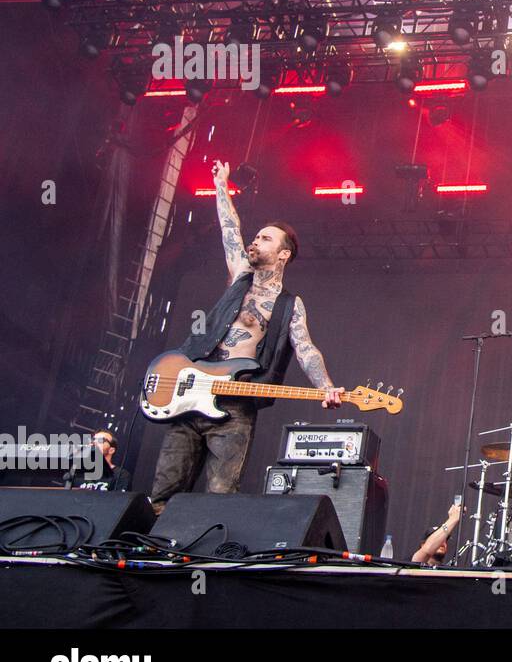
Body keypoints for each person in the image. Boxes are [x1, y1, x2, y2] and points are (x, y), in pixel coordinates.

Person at [148, 160, 343, 515]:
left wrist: (326, 386)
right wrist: (222, 186)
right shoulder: (240, 273)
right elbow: (229, 228)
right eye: (256, 236)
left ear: (284, 254)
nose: (255, 241)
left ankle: (206, 559)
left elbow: (306, 349)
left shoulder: (289, 305)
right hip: (191, 393)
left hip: (236, 406)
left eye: (265, 238)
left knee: (221, 493)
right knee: (165, 489)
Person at [63, 430, 131, 492]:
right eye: (93, 439)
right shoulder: (78, 473)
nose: (94, 442)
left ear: (111, 450)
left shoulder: (121, 475)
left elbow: (118, 501)